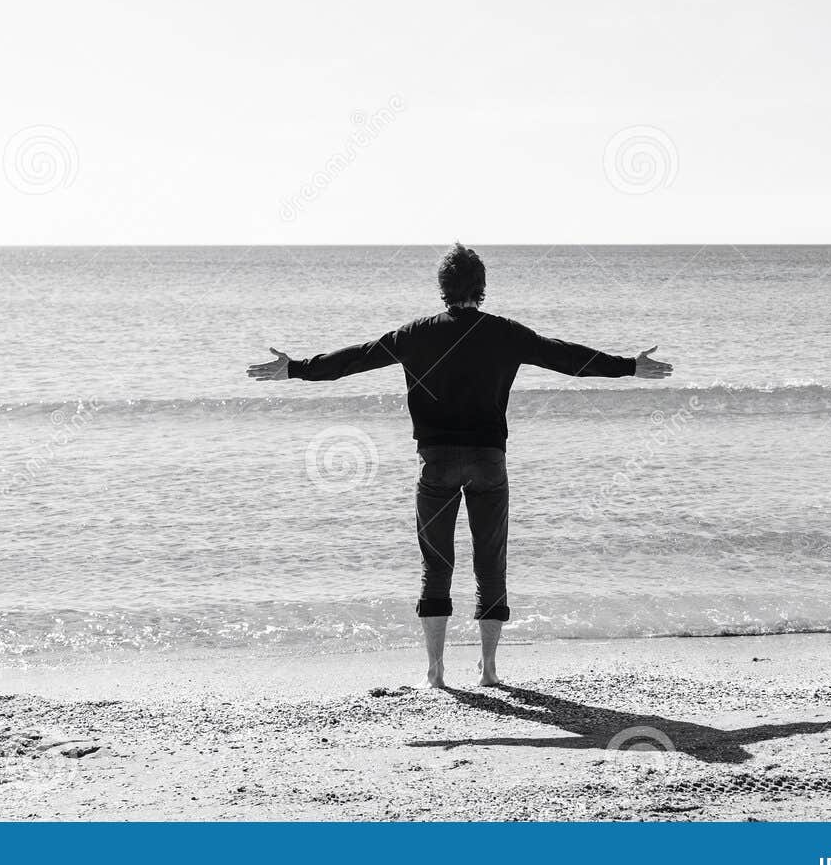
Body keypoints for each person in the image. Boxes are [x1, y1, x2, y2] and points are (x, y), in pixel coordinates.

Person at [247, 243, 672, 688]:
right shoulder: (507, 333)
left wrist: (295, 369)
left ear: (443, 288)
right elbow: (566, 357)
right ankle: (488, 669)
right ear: (481, 288)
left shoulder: (415, 334)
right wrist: (628, 367)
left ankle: (435, 671)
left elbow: (353, 360)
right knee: (491, 563)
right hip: (490, 462)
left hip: (436, 463)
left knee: (437, 564)